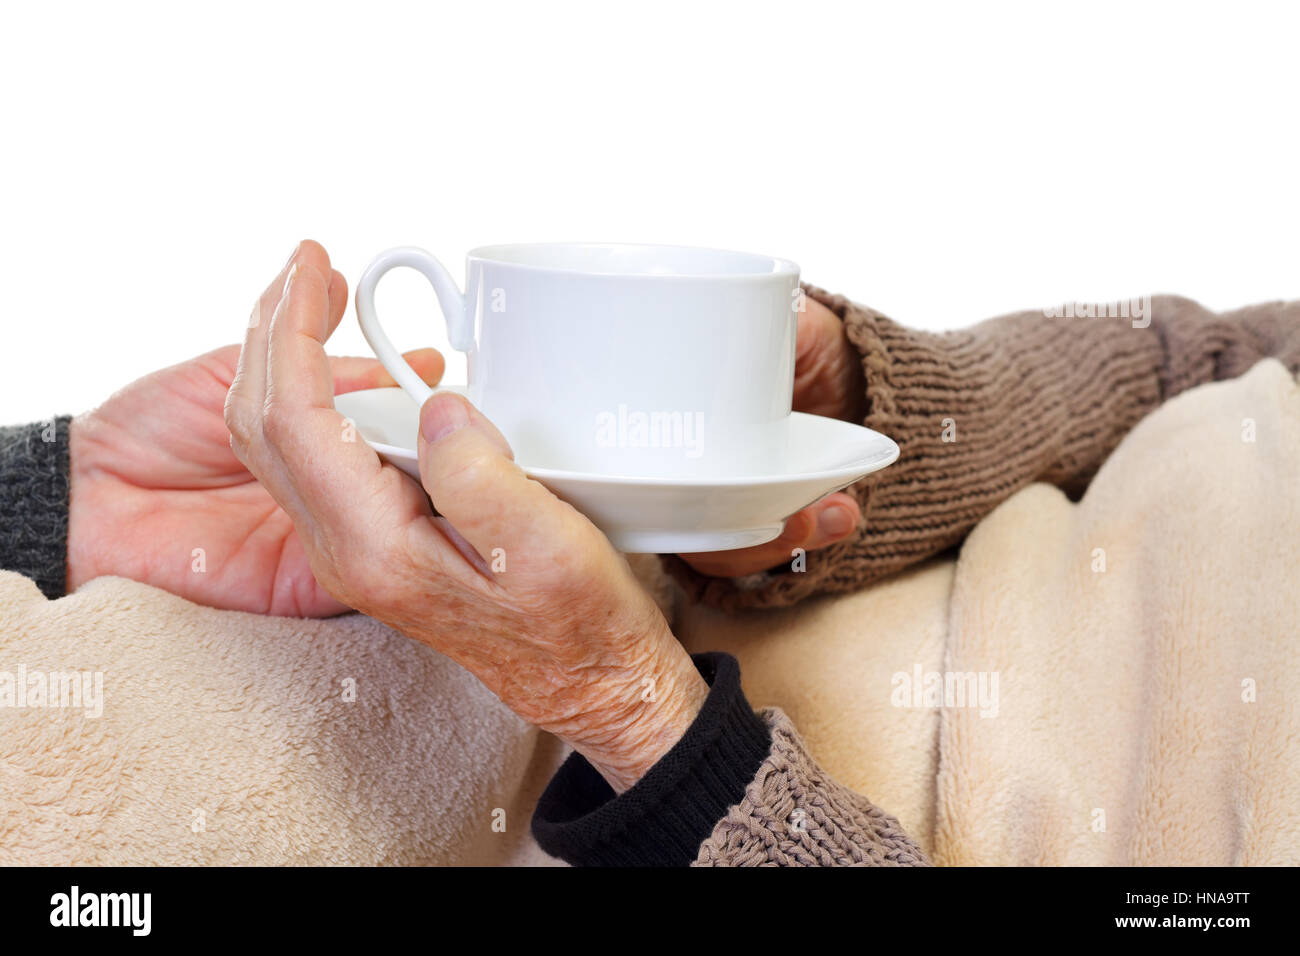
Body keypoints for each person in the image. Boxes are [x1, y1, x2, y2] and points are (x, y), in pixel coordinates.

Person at [1, 240, 1296, 865]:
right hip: (515, 629)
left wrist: (650, 734)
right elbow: (1194, 360)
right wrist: (71, 499)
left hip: (654, 789)